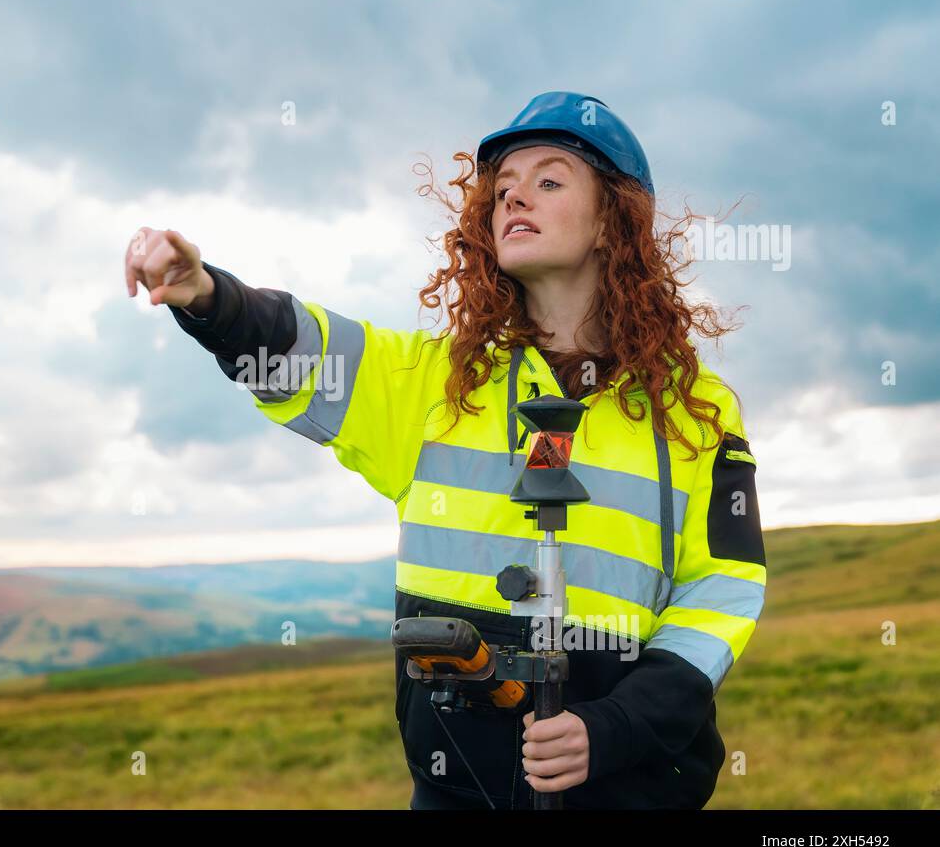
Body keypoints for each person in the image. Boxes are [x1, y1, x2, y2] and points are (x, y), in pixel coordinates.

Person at [123, 91, 766, 810]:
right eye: (502, 191)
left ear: (614, 223)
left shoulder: (698, 411)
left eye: (550, 181)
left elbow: (722, 593)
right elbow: (296, 346)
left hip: (630, 786)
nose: (516, 197)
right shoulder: (435, 382)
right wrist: (207, 296)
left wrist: (614, 727)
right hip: (457, 784)